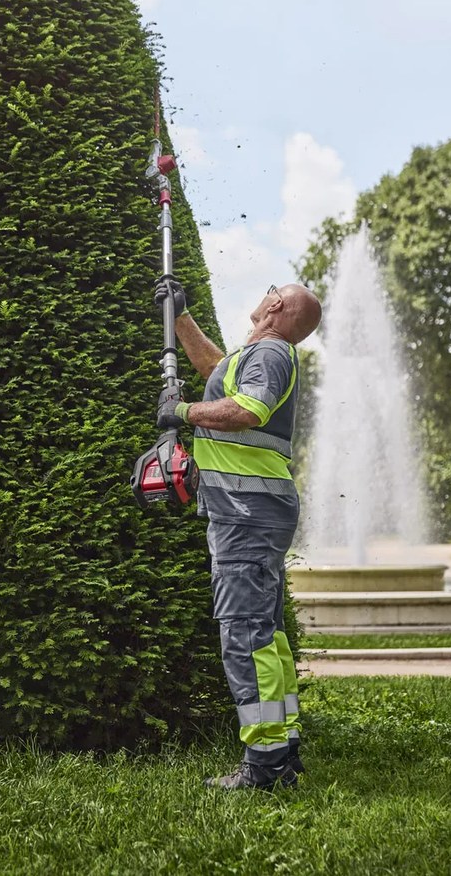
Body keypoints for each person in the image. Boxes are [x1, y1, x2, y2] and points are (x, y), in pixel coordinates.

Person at [155, 279, 322, 791]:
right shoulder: (256, 355)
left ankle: (265, 766)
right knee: (263, 636)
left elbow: (248, 411)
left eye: (272, 289)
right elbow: (215, 373)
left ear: (275, 305)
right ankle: (282, 748)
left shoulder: (271, 353)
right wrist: (179, 318)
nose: (264, 292)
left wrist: (179, 413)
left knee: (245, 637)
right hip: (254, 512)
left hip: (248, 514)